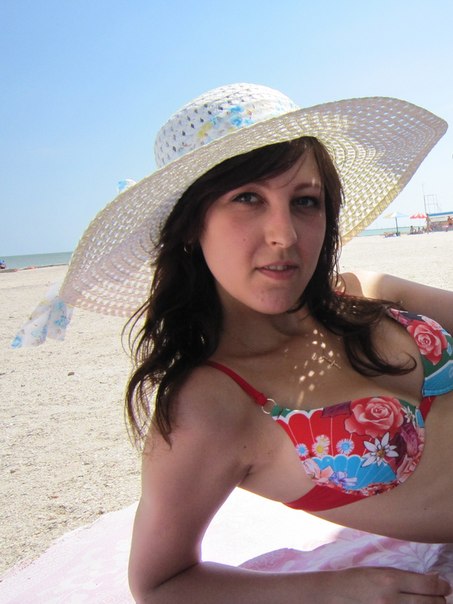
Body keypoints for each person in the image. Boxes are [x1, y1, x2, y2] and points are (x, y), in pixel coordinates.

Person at [13, 83, 452, 601]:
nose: (285, 235)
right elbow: (159, 583)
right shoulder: (210, 405)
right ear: (190, 224)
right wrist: (336, 589)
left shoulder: (366, 293)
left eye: (305, 201)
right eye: (247, 198)